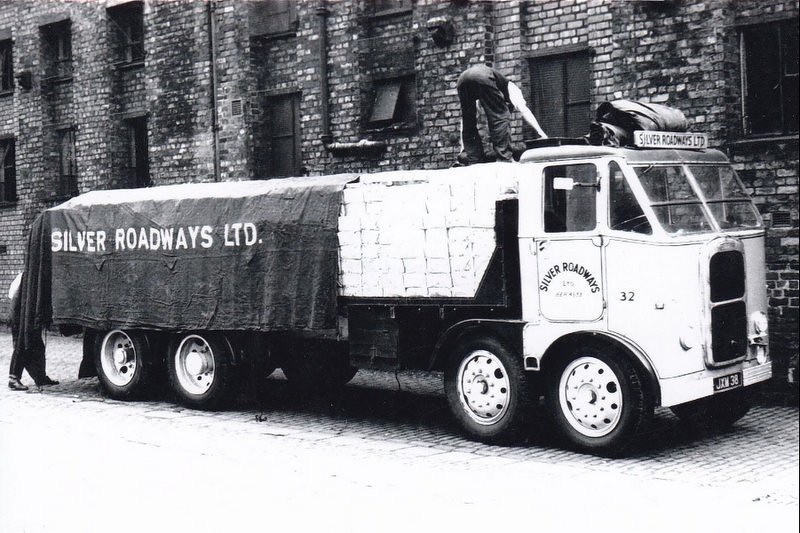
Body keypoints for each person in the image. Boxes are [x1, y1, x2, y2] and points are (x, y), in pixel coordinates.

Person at [456, 64, 547, 165]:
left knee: (468, 119)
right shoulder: (513, 89)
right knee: (500, 116)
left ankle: (474, 159)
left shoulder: (487, 90)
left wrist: (464, 148)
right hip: (481, 76)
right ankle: (504, 158)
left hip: (462, 80)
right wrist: (541, 133)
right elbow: (525, 111)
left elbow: (466, 122)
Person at [7, 272, 58, 391]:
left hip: (27, 318)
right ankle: (13, 378)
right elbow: (14, 300)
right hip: (20, 319)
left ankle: (40, 377)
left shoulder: (31, 278)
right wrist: (17, 321)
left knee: (38, 347)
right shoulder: (26, 278)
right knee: (22, 346)